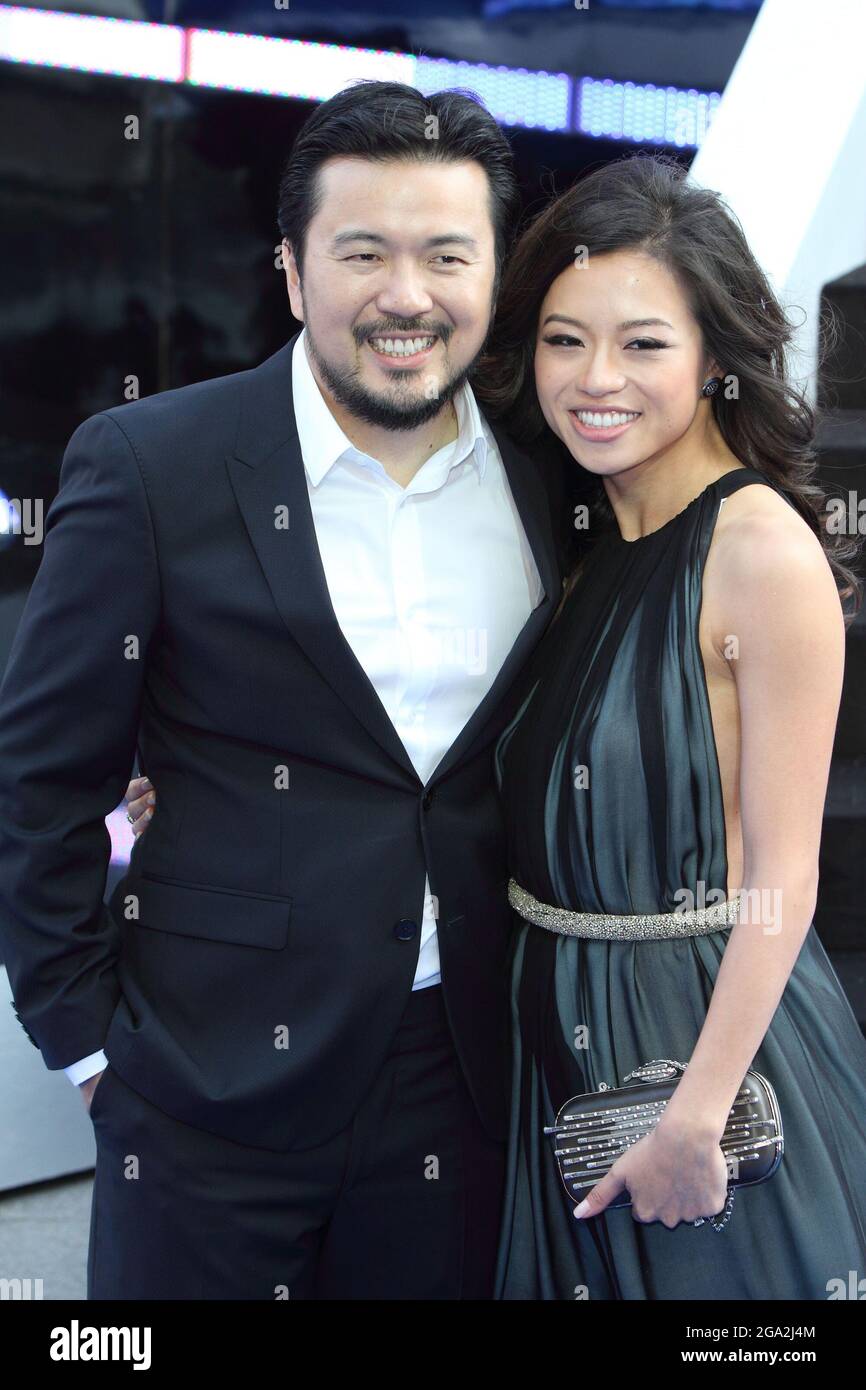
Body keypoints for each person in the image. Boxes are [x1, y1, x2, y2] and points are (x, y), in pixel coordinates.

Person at [0, 82, 567, 1300]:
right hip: (199, 1079)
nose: (404, 295)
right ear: (294, 271)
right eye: (361, 251)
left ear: (488, 279)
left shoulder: (546, 485)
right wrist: (90, 1050)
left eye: (444, 256)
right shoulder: (154, 463)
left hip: (458, 1078)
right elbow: (42, 779)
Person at [476, 153, 866, 1298]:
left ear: (713, 360)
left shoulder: (754, 548)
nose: (594, 377)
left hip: (700, 1051)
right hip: (555, 1036)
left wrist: (696, 1114)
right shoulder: (587, 535)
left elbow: (782, 874)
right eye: (561, 338)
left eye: (642, 343)